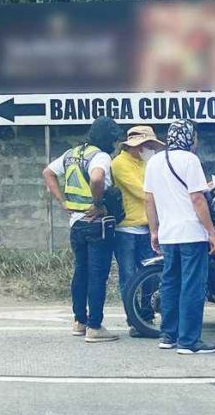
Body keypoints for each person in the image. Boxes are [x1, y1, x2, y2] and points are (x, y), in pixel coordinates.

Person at [43, 116, 123, 343]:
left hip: (76, 224)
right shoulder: (100, 156)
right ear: (106, 138)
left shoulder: (73, 153)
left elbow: (47, 172)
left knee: (81, 272)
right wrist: (98, 204)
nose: (115, 144)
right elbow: (97, 178)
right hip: (97, 225)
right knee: (97, 275)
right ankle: (95, 326)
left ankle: (79, 321)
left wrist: (62, 202)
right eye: (114, 139)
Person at [144, 119, 215, 355]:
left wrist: (154, 230)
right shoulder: (190, 160)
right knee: (192, 285)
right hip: (191, 233)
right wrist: (211, 232)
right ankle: (189, 341)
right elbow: (197, 199)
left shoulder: (154, 161)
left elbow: (149, 198)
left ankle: (169, 335)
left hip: (168, 234)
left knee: (170, 283)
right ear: (190, 137)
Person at [111, 125, 164, 336]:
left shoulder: (144, 163)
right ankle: (133, 320)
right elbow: (144, 192)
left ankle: (146, 315)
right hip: (125, 229)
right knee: (128, 276)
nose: (150, 149)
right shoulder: (119, 164)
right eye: (148, 145)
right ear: (138, 146)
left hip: (145, 227)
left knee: (151, 275)